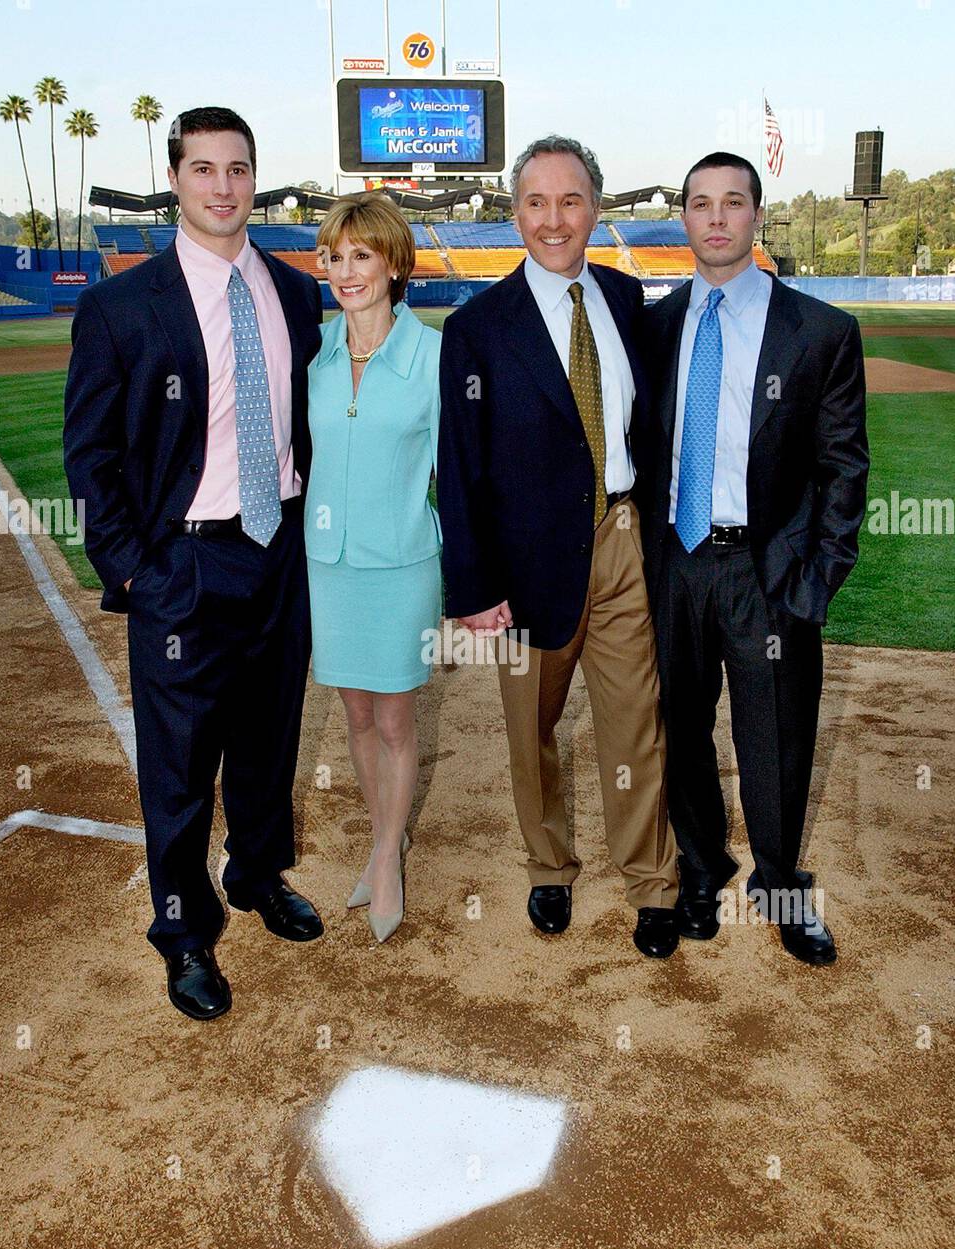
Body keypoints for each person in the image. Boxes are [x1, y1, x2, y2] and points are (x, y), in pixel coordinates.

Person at [64, 107, 325, 1021]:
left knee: (268, 742)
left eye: (237, 168)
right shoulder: (120, 305)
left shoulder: (297, 294)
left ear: (257, 178)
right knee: (177, 770)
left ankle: (257, 874)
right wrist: (135, 569)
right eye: (202, 168)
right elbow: (89, 455)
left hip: (278, 552)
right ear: (174, 178)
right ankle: (182, 934)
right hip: (184, 564)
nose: (221, 186)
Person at [437, 135, 679, 954]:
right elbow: (459, 470)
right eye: (535, 202)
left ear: (595, 209)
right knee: (529, 731)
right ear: (514, 214)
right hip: (525, 559)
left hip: (619, 539)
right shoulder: (475, 328)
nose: (553, 219)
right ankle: (548, 869)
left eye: (569, 200)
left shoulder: (621, 292)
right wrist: (471, 589)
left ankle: (651, 883)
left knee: (634, 724)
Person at [640, 151, 869, 965]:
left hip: (764, 571)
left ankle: (777, 883)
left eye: (731, 203)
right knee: (680, 729)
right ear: (684, 218)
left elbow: (844, 468)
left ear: (755, 216)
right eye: (699, 203)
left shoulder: (819, 331)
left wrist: (812, 584)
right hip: (674, 561)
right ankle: (701, 871)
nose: (714, 218)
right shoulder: (657, 324)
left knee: (774, 737)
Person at [305, 193, 442, 943]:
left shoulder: (433, 358)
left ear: (393, 264)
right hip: (327, 566)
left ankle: (386, 855)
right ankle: (383, 834)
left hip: (401, 566)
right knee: (355, 714)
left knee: (393, 715)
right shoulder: (318, 356)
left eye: (361, 254)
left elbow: (456, 473)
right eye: (334, 255)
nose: (345, 270)